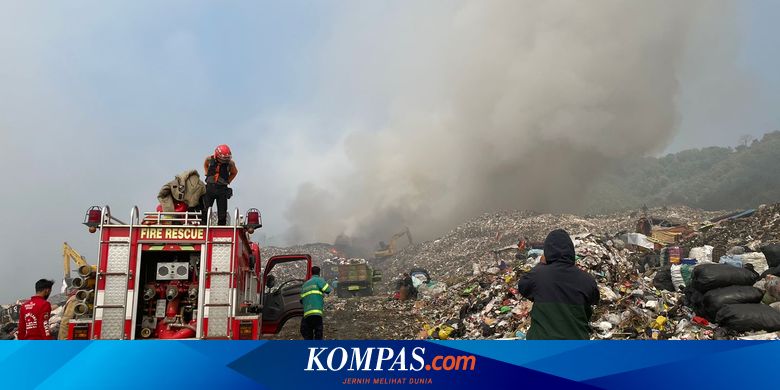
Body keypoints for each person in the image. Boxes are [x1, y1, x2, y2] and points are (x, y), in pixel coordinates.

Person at [517, 229, 599, 340]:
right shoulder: (587, 280)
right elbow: (594, 300)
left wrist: (541, 264)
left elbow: (523, 287)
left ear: (547, 251)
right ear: (571, 251)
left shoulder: (538, 275)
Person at [201, 144, 238, 226]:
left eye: (227, 158)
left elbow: (234, 172)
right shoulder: (209, 159)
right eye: (224, 158)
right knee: (205, 209)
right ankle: (203, 225)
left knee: (222, 212)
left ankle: (221, 226)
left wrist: (228, 181)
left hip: (222, 189)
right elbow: (205, 164)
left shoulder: (230, 164)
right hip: (210, 188)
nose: (225, 160)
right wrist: (207, 173)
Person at [300, 266, 332, 340]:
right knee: (318, 332)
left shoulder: (305, 284)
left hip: (307, 314)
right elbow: (328, 290)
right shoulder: (319, 280)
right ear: (319, 273)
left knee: (308, 334)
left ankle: (309, 349)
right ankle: (317, 348)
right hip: (317, 312)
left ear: (311, 273)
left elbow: (301, 300)